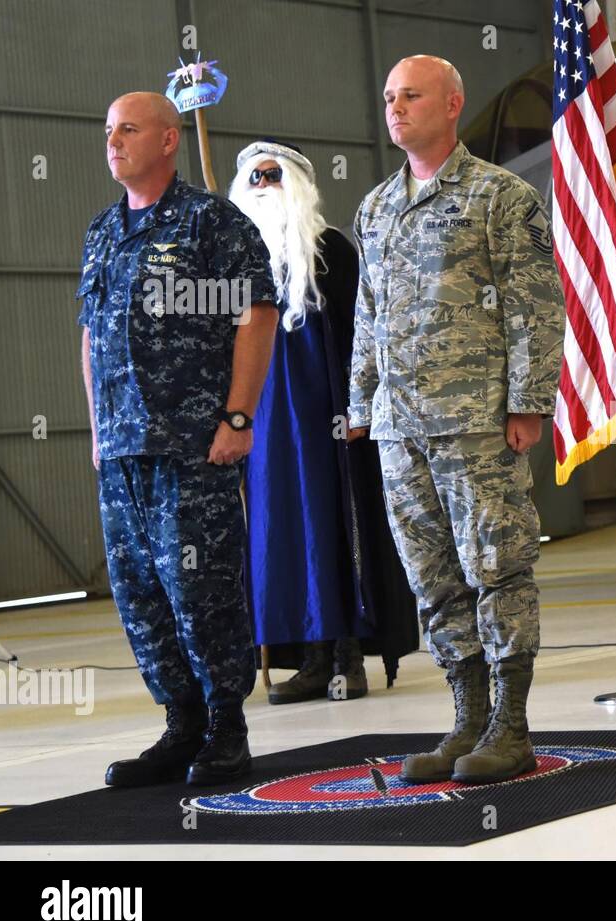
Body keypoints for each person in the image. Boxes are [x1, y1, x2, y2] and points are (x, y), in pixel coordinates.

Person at [348, 56, 565, 785]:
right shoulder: (376, 208)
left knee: (498, 568)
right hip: (398, 429)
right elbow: (367, 315)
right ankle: (467, 719)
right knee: (434, 580)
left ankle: (512, 726)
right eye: (388, 97)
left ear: (451, 103)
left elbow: (536, 303)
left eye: (410, 95)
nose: (395, 107)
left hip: (475, 420)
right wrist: (359, 401)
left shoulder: (500, 196)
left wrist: (529, 402)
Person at [78, 92, 278, 787]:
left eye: (128, 129)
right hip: (123, 453)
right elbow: (90, 334)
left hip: (193, 445)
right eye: (108, 131)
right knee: (141, 594)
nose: (113, 141)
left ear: (167, 140)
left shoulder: (208, 223)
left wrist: (238, 417)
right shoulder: (102, 232)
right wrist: (100, 431)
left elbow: (256, 315)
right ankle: (180, 723)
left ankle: (228, 727)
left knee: (202, 588)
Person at [228, 140, 418, 703]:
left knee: (334, 528)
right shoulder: (236, 265)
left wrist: (362, 406)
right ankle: (308, 658)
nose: (263, 186)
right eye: (253, 178)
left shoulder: (331, 250)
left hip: (328, 423)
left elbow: (368, 333)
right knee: (279, 534)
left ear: (299, 184)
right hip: (263, 428)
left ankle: (345, 656)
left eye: (273, 175)